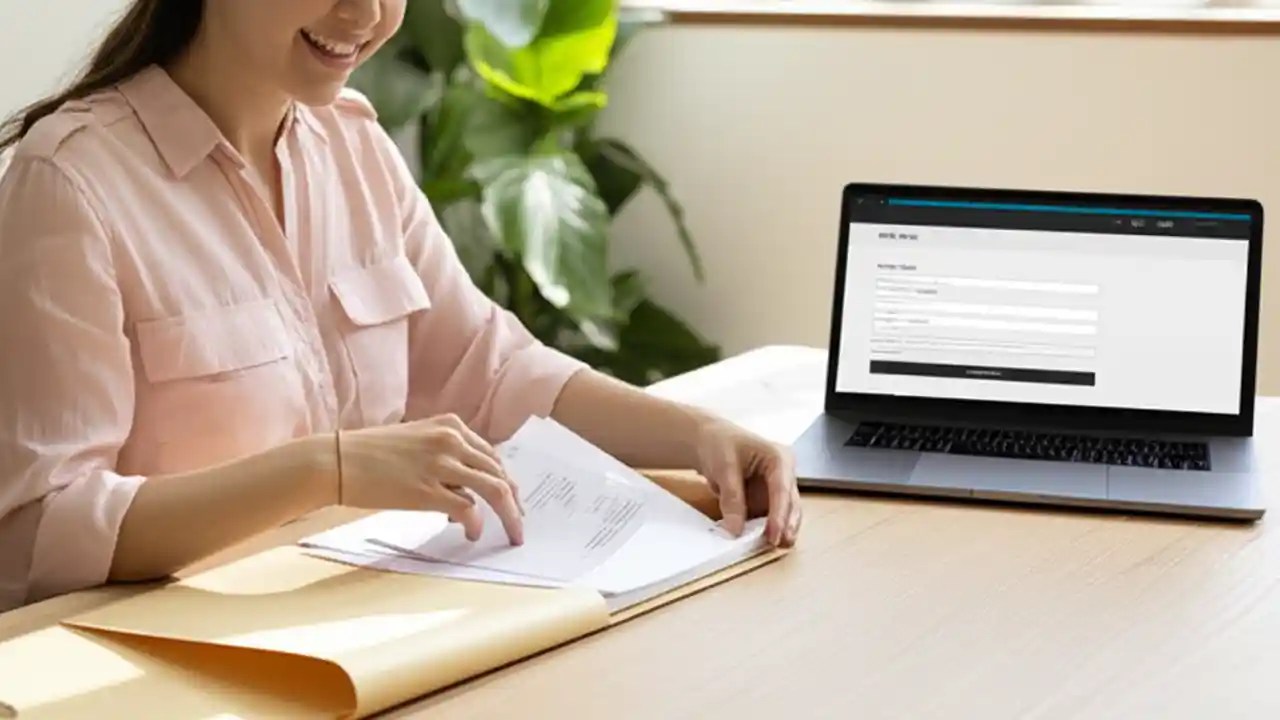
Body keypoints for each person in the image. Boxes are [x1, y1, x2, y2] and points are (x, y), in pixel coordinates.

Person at [0, 0, 801, 613]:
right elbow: (39, 531)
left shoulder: (352, 144)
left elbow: (492, 371)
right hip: (157, 660)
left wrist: (697, 435)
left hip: (355, 620)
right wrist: (326, 469)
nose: (369, 14)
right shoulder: (70, 183)